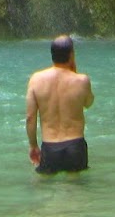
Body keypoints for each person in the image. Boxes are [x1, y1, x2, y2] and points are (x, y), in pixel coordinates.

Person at [25, 35, 94, 175]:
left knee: (46, 190)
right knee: (76, 191)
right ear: (71, 55)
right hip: (75, 146)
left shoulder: (35, 79)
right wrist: (74, 73)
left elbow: (30, 118)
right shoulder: (82, 80)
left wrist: (33, 146)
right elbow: (88, 103)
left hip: (50, 147)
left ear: (52, 55)